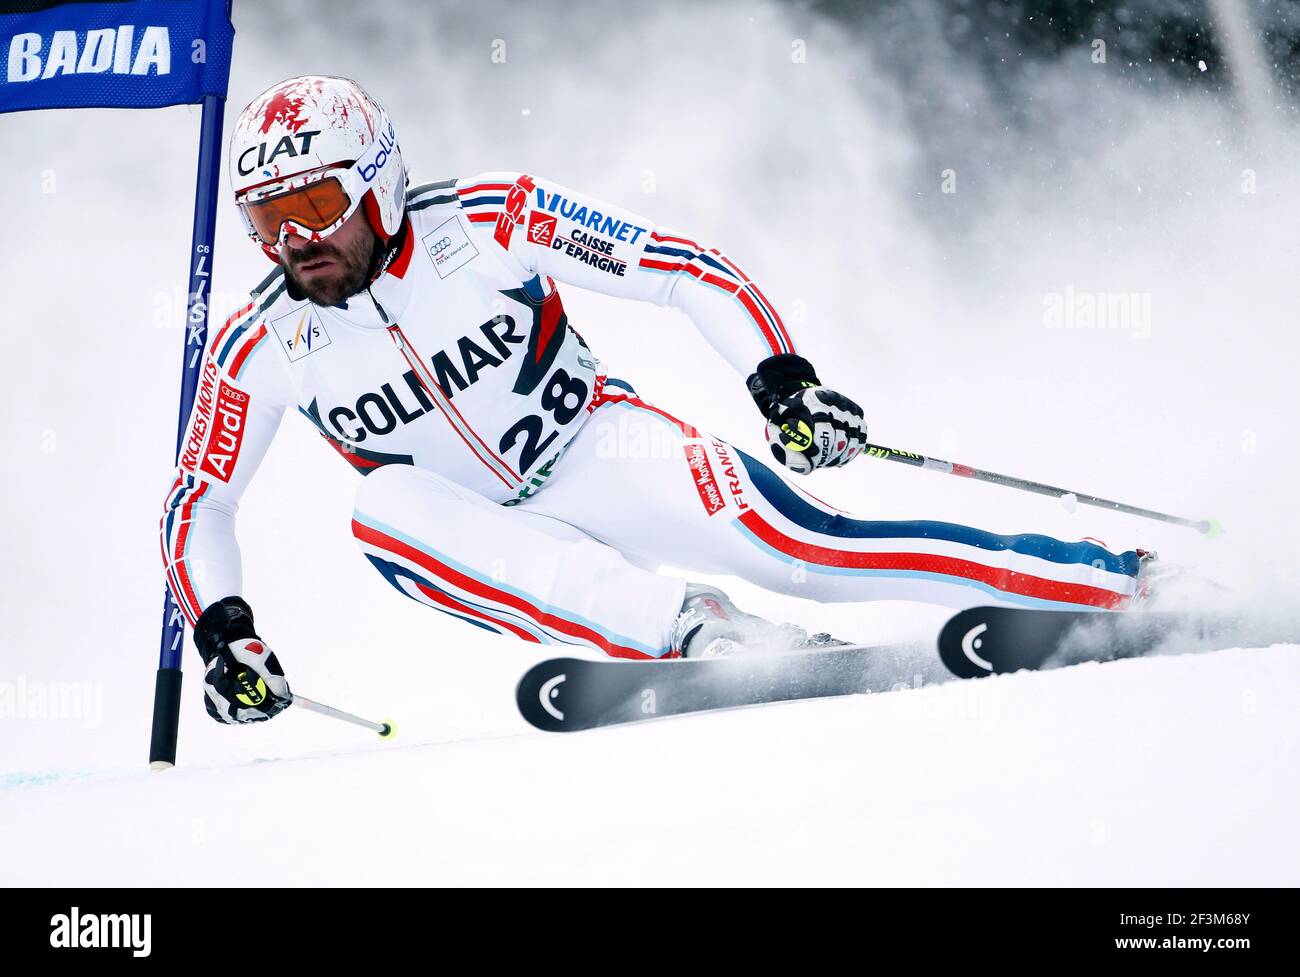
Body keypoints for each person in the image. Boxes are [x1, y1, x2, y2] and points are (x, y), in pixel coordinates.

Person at [163, 75, 1143, 725]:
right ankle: (703, 634)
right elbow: (197, 499)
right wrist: (221, 635)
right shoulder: (262, 339)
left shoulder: (490, 218)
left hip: (599, 445)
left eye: (312, 207)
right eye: (266, 220)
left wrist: (781, 383)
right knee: (379, 511)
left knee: (813, 552)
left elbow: (685, 268)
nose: (293, 244)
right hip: (469, 527)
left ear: (375, 187)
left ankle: (1124, 581)